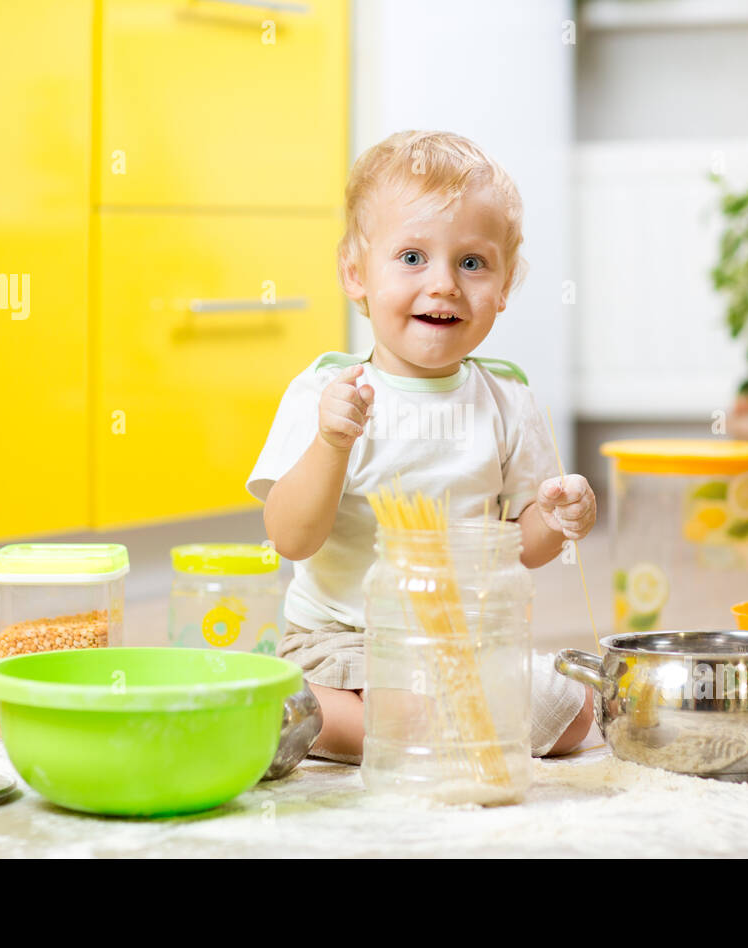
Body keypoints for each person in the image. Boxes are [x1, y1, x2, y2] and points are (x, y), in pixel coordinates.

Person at [246, 130, 596, 765]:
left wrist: (561, 517)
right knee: (399, 710)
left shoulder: (507, 398)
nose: (444, 285)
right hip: (347, 642)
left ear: (506, 282)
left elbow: (526, 545)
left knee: (575, 711)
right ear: (356, 273)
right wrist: (332, 443)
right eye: (411, 258)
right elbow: (291, 538)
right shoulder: (328, 392)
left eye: (472, 262)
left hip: (466, 647)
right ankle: (324, 714)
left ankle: (416, 730)